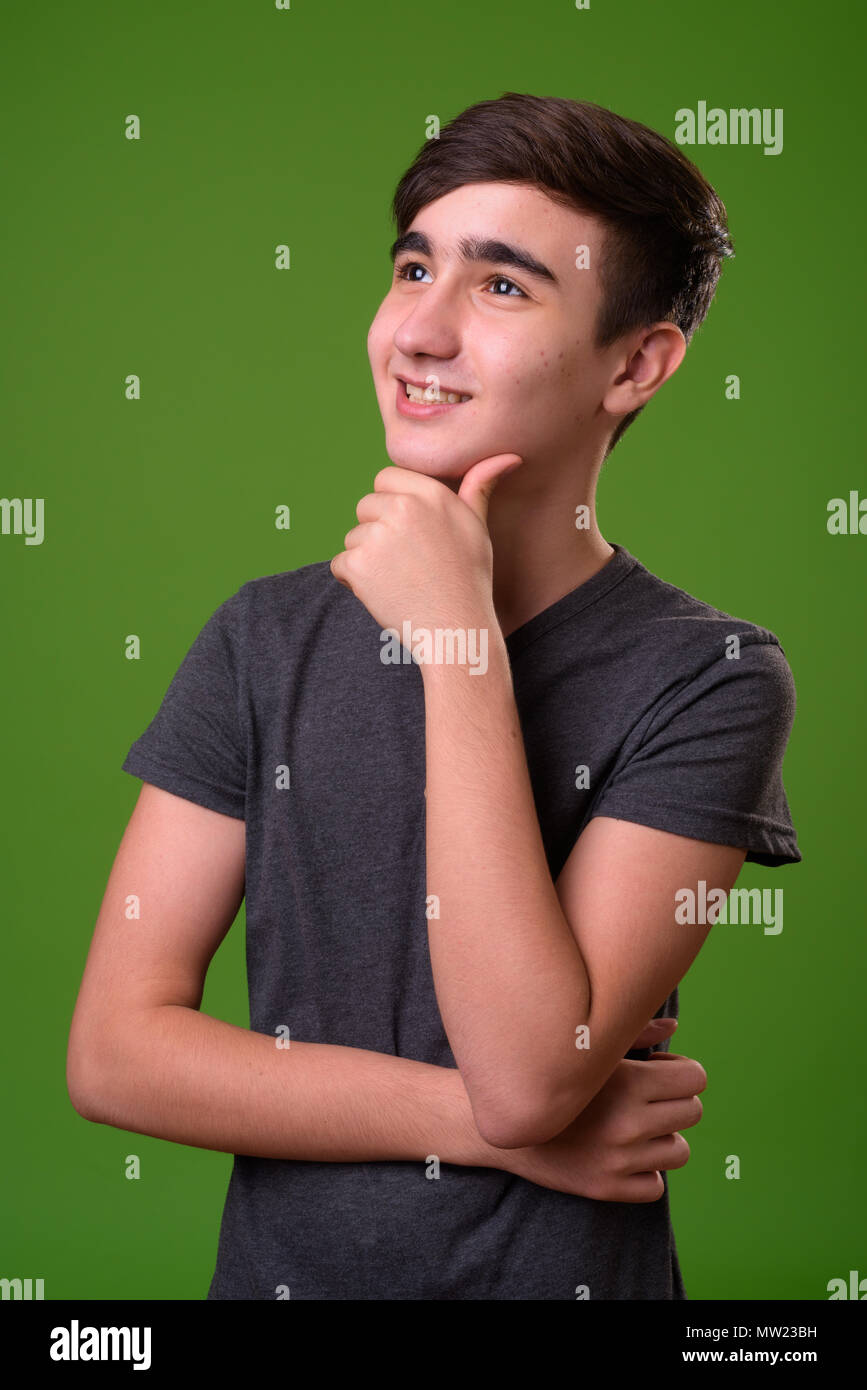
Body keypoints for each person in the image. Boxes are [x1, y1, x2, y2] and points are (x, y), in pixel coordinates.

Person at [66, 93, 800, 1300]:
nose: (421, 329)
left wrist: (460, 645)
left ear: (638, 364)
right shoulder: (263, 637)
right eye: (415, 267)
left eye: (502, 286)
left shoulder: (708, 677)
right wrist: (468, 1122)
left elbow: (530, 1075)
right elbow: (115, 1054)